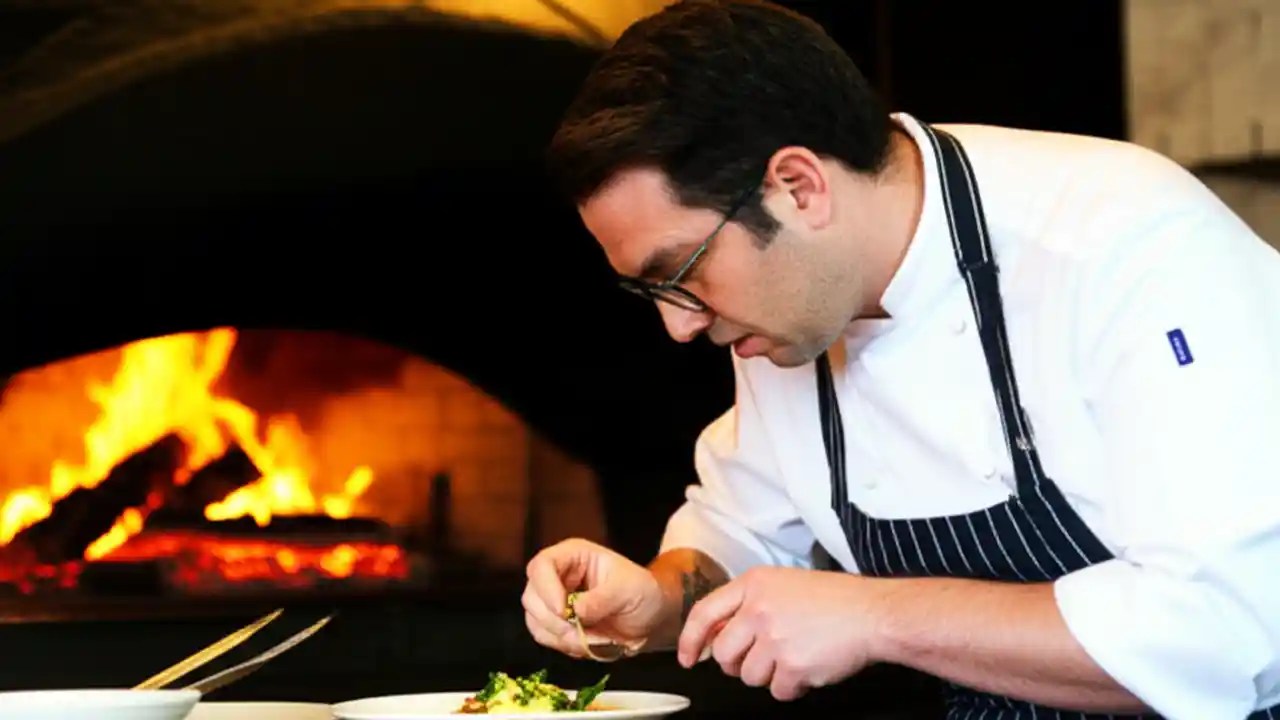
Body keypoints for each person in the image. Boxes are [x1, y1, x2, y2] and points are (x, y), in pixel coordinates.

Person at [520, 1, 1280, 718]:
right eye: (649, 290)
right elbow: (747, 530)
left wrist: (877, 617)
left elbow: (1226, 627)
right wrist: (657, 600)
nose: (678, 329)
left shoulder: (1128, 248)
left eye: (682, 273)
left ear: (798, 187)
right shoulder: (794, 302)